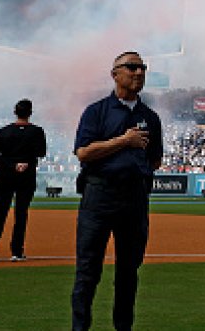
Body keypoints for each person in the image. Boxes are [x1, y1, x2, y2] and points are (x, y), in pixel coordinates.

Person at [71, 51, 163, 331]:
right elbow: (83, 152)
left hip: (134, 197)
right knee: (88, 271)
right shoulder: (96, 111)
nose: (139, 72)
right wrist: (123, 142)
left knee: (128, 272)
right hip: (99, 195)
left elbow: (155, 159)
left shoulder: (150, 117)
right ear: (115, 74)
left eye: (142, 68)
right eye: (132, 67)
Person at [0, 98, 47, 262]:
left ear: (15, 112)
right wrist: (26, 163)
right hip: (27, 176)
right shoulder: (37, 131)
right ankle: (17, 251)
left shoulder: (5, 131)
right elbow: (41, 152)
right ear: (30, 113)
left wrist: (11, 165)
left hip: (6, 175)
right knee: (21, 213)